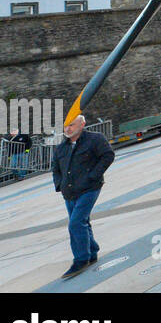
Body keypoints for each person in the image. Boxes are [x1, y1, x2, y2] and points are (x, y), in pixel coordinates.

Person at [51, 115, 114, 279]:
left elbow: (108, 155)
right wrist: (59, 184)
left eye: (71, 125)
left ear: (82, 124)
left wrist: (93, 176)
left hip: (89, 188)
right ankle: (92, 251)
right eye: (65, 126)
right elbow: (56, 168)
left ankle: (81, 259)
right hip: (69, 192)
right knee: (82, 221)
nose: (67, 129)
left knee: (75, 223)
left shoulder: (95, 139)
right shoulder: (60, 148)